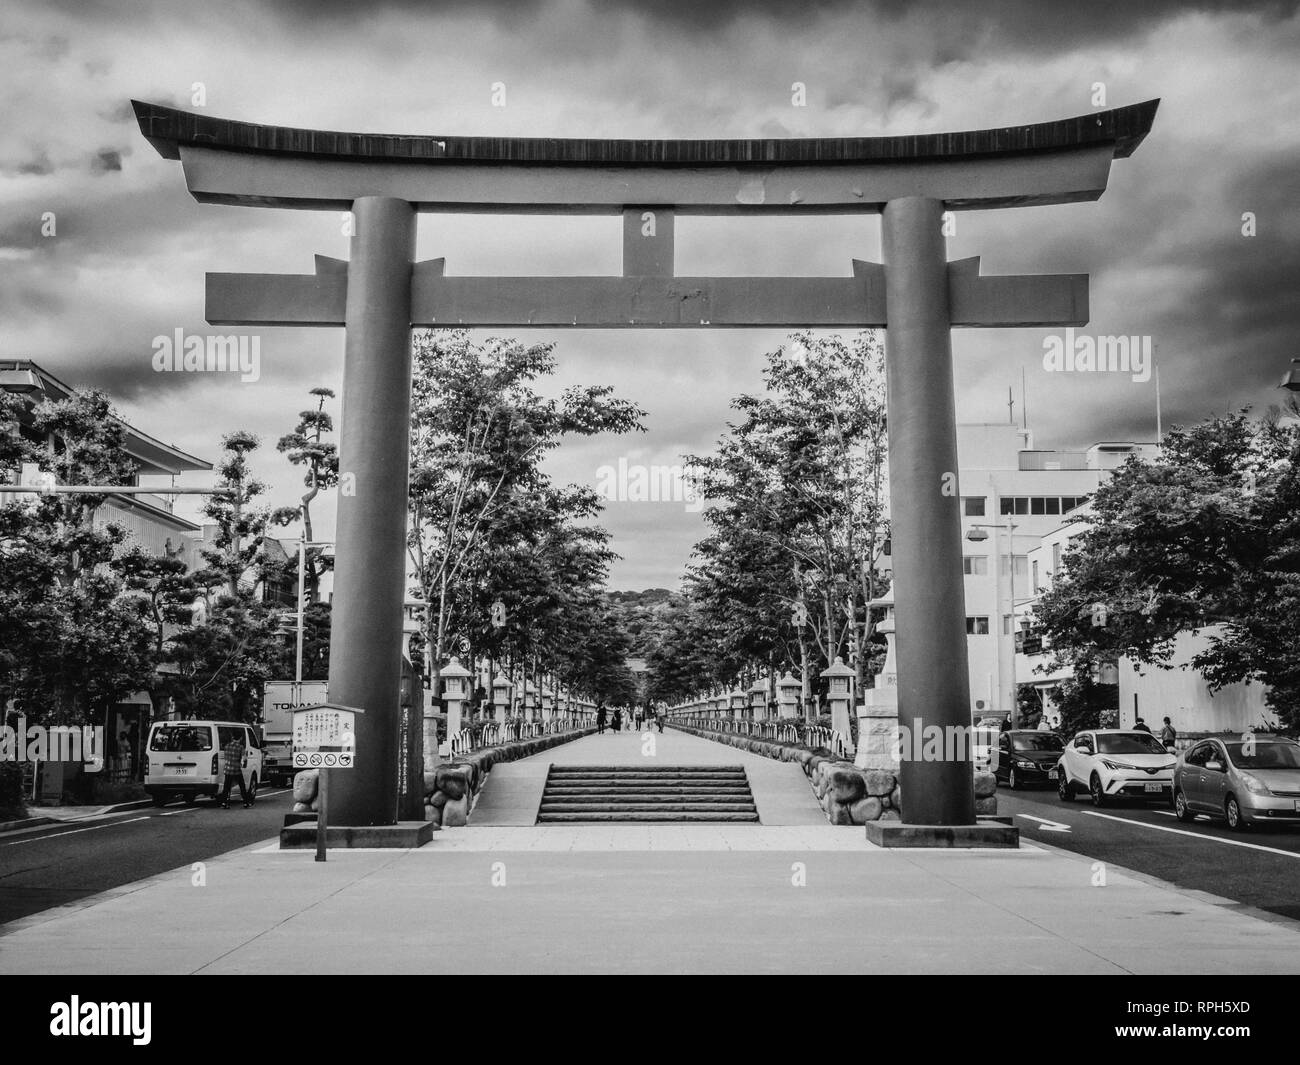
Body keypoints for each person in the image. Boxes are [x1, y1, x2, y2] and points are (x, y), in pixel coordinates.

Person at [219, 731, 251, 809]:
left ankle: (224, 803)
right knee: (242, 786)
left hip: (228, 769)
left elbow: (226, 757)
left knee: (226, 786)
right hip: (236, 769)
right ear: (240, 738)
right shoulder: (240, 747)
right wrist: (243, 765)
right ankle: (246, 802)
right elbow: (244, 759)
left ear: (233, 737)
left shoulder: (227, 746)